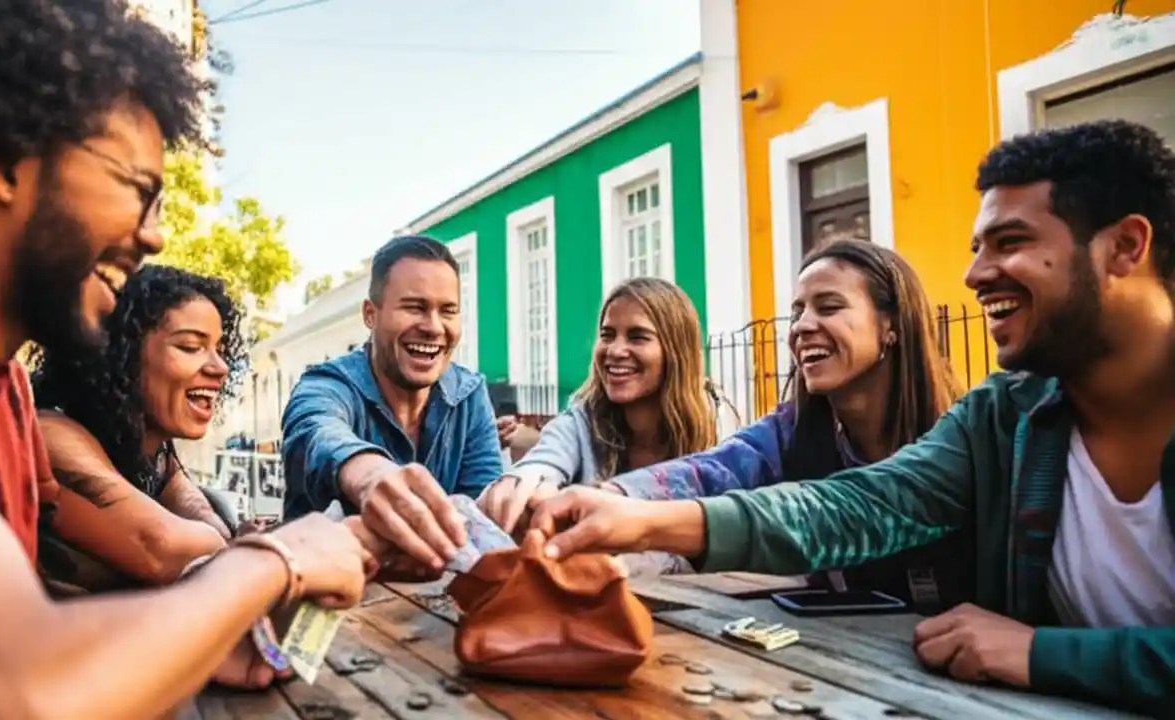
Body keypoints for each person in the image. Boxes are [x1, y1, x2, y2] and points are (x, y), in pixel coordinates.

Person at [530, 120, 1175, 715]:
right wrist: (630, 513)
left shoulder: (968, 415)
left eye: (1010, 243)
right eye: (978, 247)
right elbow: (857, 505)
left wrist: (1042, 653)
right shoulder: (1004, 416)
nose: (975, 273)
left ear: (1125, 246)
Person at [0, 3, 374, 716]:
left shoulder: (4, 393)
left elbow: (37, 604)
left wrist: (192, 638)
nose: (153, 237)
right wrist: (274, 561)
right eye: (138, 189)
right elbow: (17, 686)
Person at [592, 242, 968, 609]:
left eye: (829, 307)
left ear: (893, 325)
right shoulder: (791, 431)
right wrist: (611, 496)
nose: (802, 327)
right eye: (797, 312)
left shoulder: (958, 437)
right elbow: (713, 470)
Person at [282, 235, 504, 572]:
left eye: (448, 311)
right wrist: (369, 475)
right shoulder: (327, 385)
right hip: (326, 606)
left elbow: (481, 519)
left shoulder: (470, 395)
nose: (433, 327)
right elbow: (315, 429)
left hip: (440, 613)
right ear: (371, 315)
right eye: (414, 307)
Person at [30, 265, 247, 592]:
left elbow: (202, 517)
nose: (220, 367)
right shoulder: (52, 434)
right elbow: (161, 547)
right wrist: (267, 554)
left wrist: (234, 541)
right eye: (190, 347)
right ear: (121, 353)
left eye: (220, 350)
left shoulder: (154, 451)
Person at [477, 277, 738, 535]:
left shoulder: (716, 424)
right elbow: (546, 459)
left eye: (637, 337)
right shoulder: (579, 423)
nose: (615, 350)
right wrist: (526, 480)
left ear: (676, 351)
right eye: (607, 335)